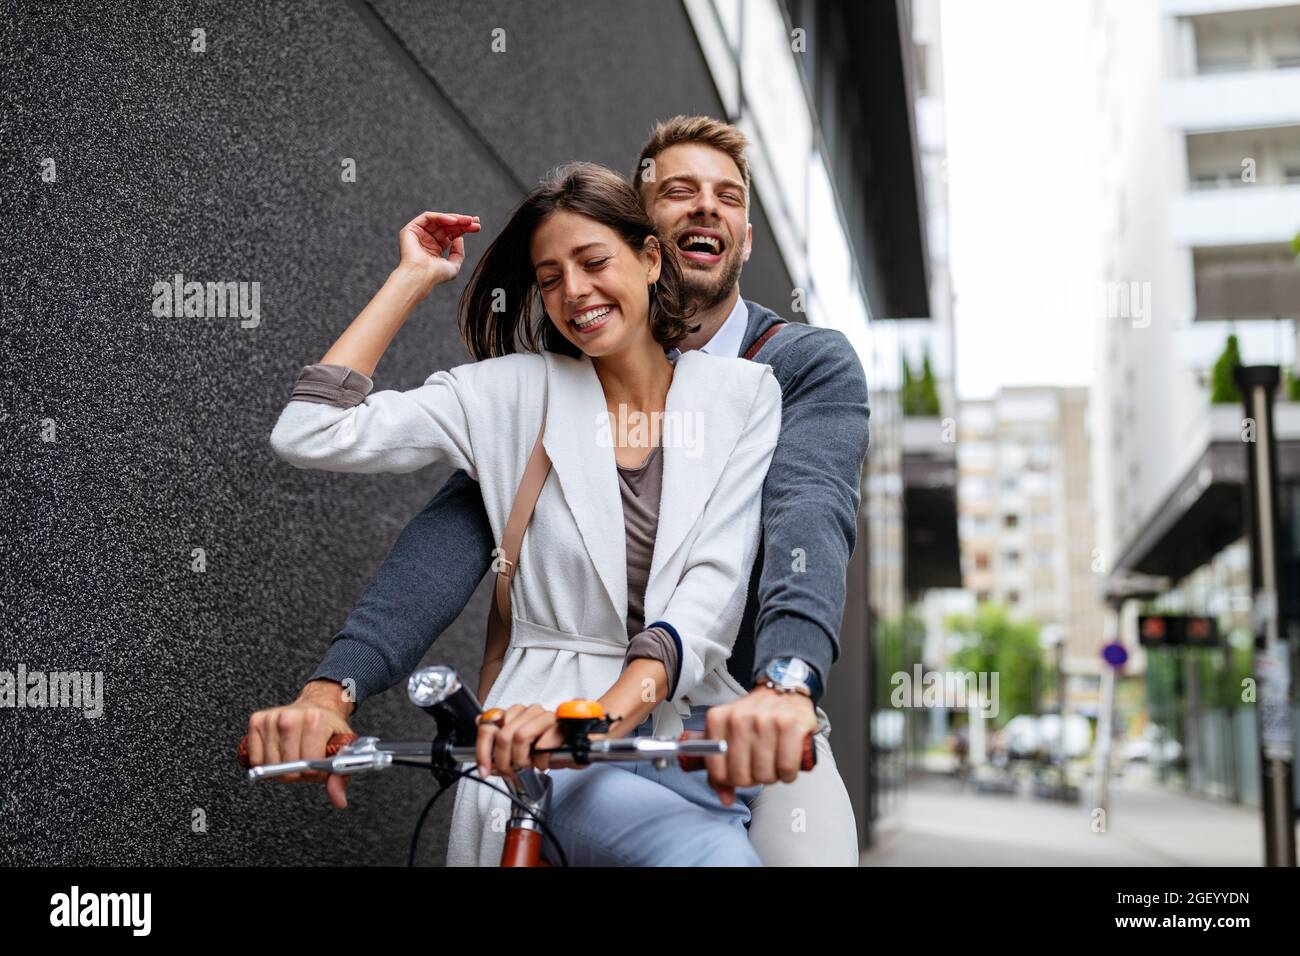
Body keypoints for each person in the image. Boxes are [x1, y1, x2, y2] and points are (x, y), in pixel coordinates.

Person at [249, 116, 870, 866]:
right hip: (553, 722)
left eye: (728, 196)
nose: (706, 207)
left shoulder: (772, 377)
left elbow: (808, 516)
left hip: (739, 713)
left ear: (737, 235)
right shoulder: (527, 395)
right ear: (653, 233)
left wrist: (788, 680)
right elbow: (446, 534)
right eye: (678, 191)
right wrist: (333, 688)